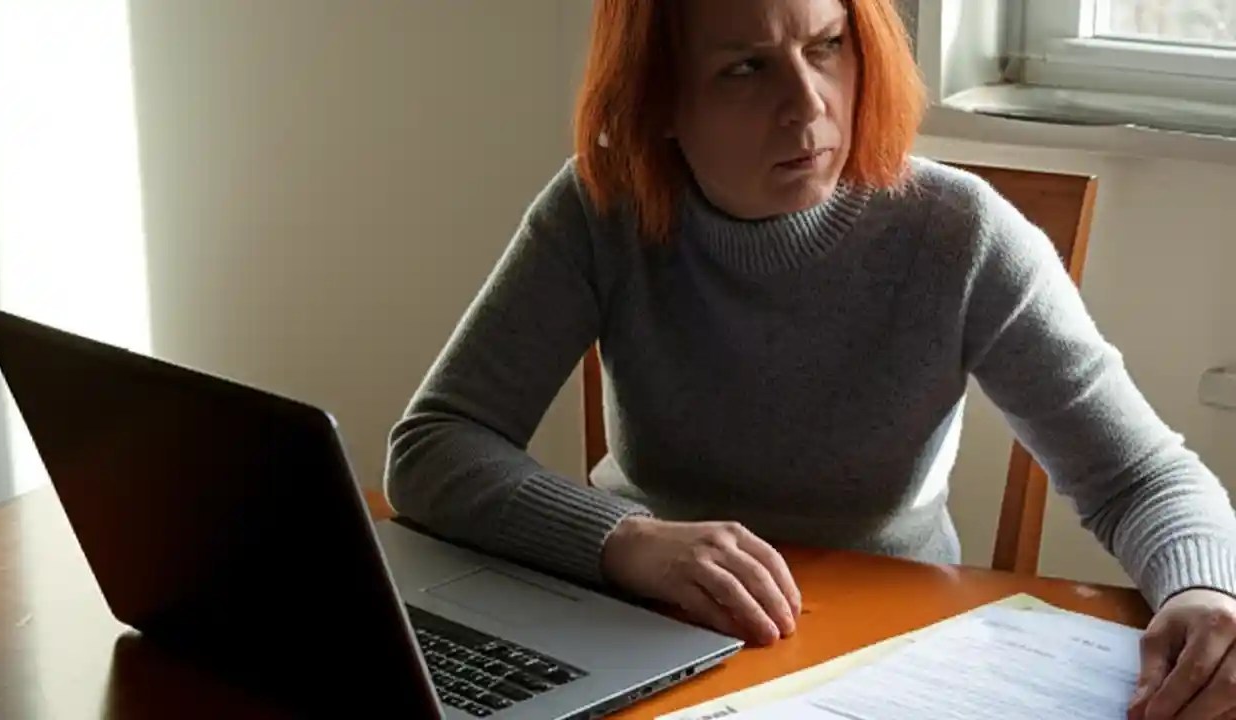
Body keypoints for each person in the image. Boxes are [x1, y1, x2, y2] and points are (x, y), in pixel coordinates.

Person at [384, 1, 1236, 717]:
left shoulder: (958, 233)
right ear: (659, 101)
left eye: (827, 47)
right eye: (745, 69)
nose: (809, 107)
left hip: (886, 655)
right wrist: (624, 541)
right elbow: (435, 446)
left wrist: (1209, 593)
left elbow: (1142, 478)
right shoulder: (601, 208)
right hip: (640, 631)